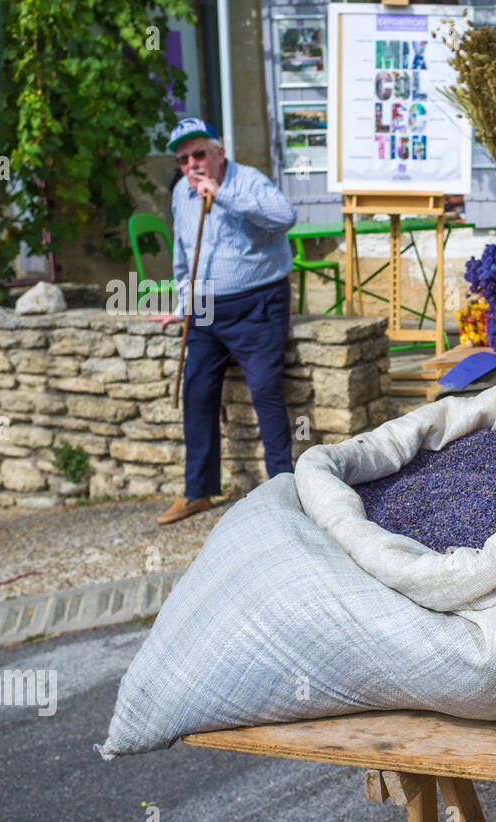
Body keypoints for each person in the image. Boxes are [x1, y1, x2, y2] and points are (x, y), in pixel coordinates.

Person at [151, 118, 299, 525]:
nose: (192, 165)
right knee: (196, 392)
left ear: (219, 153)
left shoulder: (247, 181)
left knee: (266, 390)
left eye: (199, 154)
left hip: (258, 301)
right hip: (205, 307)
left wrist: (223, 197)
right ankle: (197, 492)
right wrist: (183, 304)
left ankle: (283, 489)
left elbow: (285, 217)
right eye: (183, 160)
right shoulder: (182, 193)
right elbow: (184, 257)